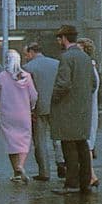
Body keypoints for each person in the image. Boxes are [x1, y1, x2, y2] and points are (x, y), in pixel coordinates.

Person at [50, 25, 97, 195]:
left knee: (68, 146)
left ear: (63, 38)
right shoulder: (85, 57)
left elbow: (63, 83)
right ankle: (85, 184)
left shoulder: (66, 58)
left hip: (67, 109)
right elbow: (94, 84)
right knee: (83, 146)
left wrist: (53, 99)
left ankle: (71, 184)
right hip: (83, 109)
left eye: (59, 38)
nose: (58, 41)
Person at [0, 49, 38, 183]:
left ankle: (16, 171)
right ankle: (20, 166)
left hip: (7, 114)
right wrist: (32, 106)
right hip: (23, 113)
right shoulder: (27, 76)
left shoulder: (1, 76)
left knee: (11, 141)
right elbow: (33, 95)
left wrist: (3, 101)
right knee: (24, 140)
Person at [22, 42, 63, 181]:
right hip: (57, 106)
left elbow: (27, 92)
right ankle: (62, 163)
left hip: (38, 108)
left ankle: (44, 172)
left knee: (40, 140)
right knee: (58, 138)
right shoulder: (56, 64)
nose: (26, 57)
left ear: (32, 52)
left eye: (26, 54)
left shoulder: (28, 68)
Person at [77, 37, 101, 187]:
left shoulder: (88, 69)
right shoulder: (90, 67)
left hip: (87, 111)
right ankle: (90, 174)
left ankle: (91, 175)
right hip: (88, 110)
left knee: (87, 144)